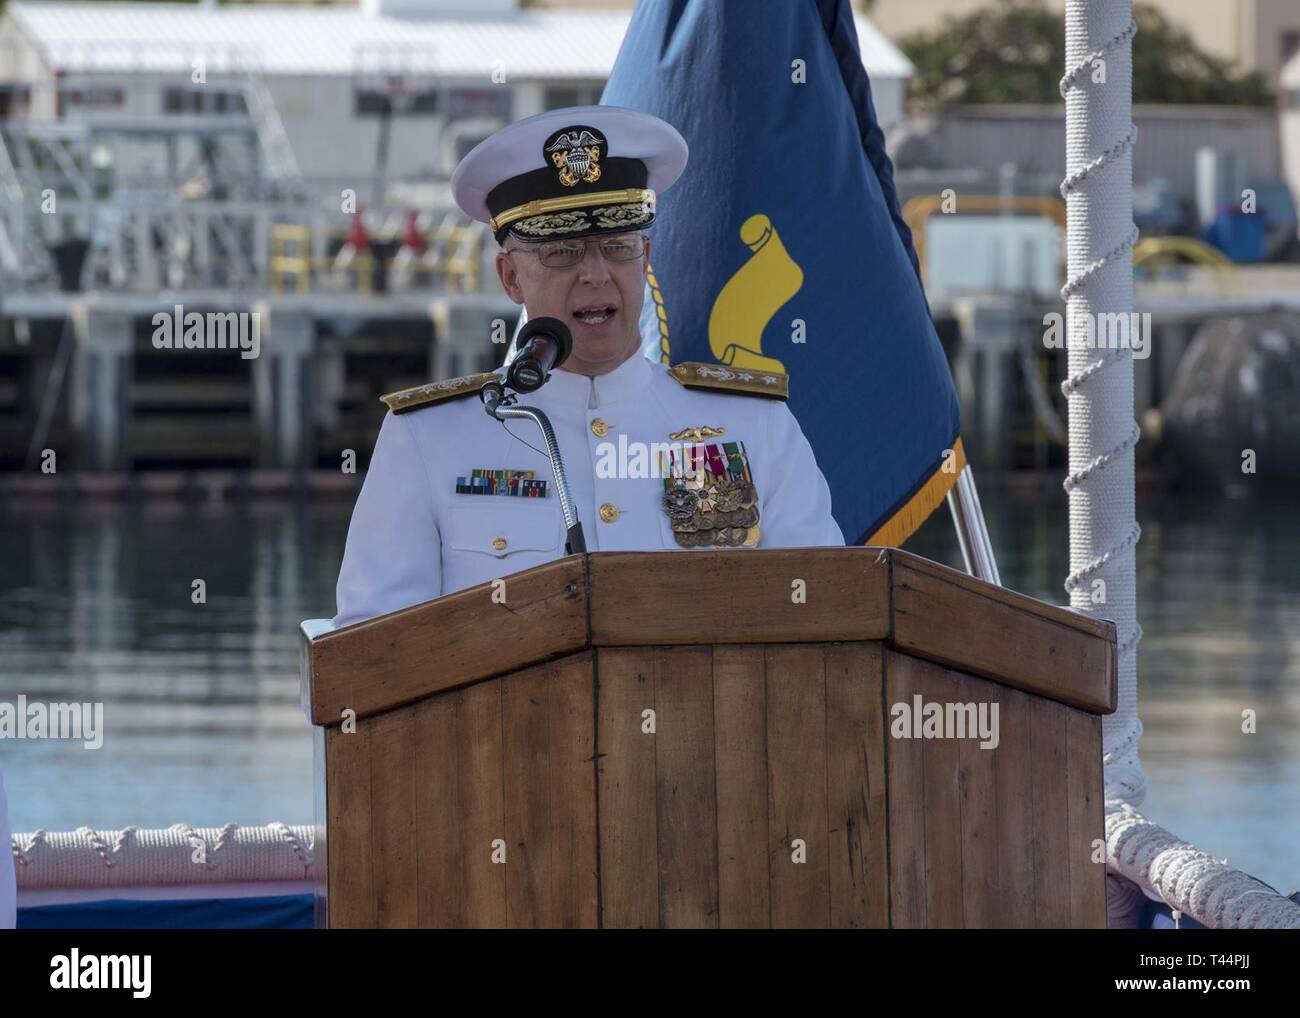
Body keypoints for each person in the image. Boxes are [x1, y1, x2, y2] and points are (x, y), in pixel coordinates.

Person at [333, 106, 843, 628]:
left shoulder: (755, 425)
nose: (596, 275)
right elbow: (370, 649)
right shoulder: (429, 437)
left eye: (618, 249)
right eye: (563, 252)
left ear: (646, 259)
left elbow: (827, 614)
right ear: (511, 278)